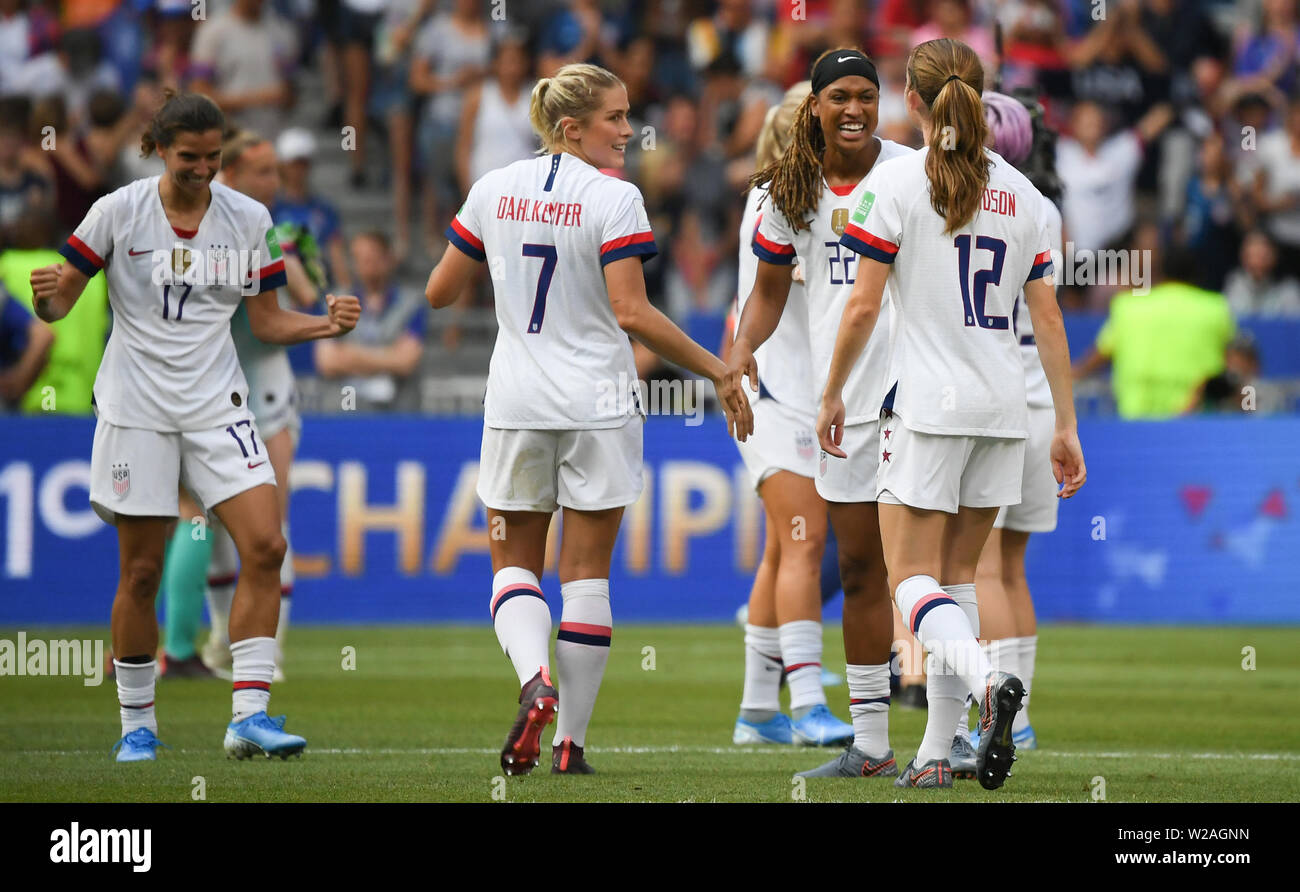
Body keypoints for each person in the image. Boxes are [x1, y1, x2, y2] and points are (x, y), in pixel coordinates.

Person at [423, 62, 750, 776]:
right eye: (616, 118)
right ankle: (570, 744)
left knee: (513, 567)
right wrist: (719, 367)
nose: (630, 131)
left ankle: (532, 680)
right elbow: (632, 312)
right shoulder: (615, 197)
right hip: (599, 405)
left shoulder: (493, 187)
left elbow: (440, 293)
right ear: (573, 128)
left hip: (516, 403)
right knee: (586, 577)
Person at [29, 91, 360, 762]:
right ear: (156, 149)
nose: (203, 170)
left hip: (218, 407)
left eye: (213, 157)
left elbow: (264, 321)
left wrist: (324, 323)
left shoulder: (248, 218)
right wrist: (47, 297)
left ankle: (248, 717)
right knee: (141, 572)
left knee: (266, 545)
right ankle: (136, 726)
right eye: (189, 158)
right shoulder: (118, 212)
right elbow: (61, 303)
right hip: (138, 411)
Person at [818, 38, 1085, 789]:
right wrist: (1064, 425)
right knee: (960, 581)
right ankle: (938, 753)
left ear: (911, 99)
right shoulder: (1029, 199)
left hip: (928, 407)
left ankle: (986, 683)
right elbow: (1051, 322)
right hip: (1006, 405)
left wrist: (835, 391)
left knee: (909, 580)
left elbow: (864, 303)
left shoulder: (897, 184)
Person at [722, 48, 915, 780]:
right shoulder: (785, 190)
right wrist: (740, 354)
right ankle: (865, 742)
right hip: (830, 409)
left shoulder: (912, 169)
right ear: (816, 105)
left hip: (913, 400)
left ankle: (974, 711)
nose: (857, 109)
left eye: (868, 95)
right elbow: (768, 294)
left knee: (923, 569)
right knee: (860, 568)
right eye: (841, 96)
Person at [727, 80, 855, 750]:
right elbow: (787, 289)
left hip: (779, 387)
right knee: (805, 542)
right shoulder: (780, 202)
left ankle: (756, 708)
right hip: (780, 392)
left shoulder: (774, 198)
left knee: (784, 548)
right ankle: (807, 701)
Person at [966, 91, 1066, 761]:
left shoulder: (963, 195)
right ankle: (1021, 718)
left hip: (990, 396)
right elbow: (1050, 314)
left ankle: (1002, 711)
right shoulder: (1043, 206)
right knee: (1014, 570)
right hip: (1040, 400)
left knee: (979, 571)